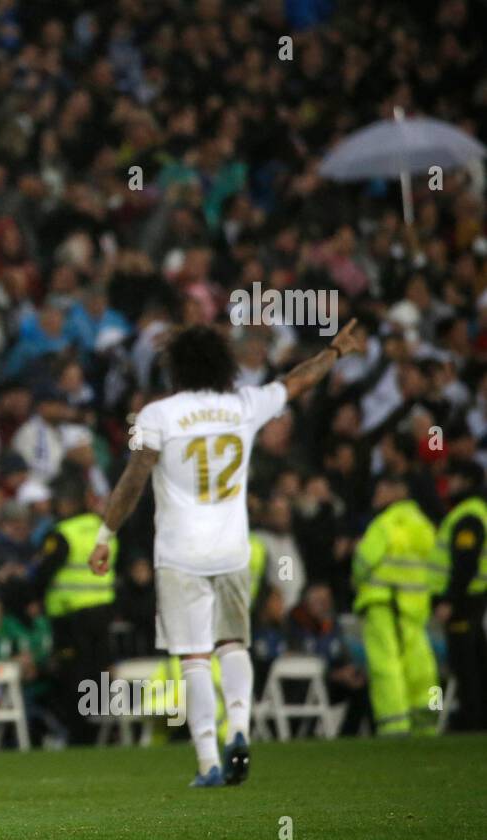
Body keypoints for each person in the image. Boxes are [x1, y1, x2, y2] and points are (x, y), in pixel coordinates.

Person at [89, 319, 367, 786]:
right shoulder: (244, 404)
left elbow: (134, 478)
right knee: (233, 644)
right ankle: (238, 728)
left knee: (194, 657)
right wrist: (335, 352)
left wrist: (105, 535)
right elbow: (296, 381)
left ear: (174, 367)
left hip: (179, 554)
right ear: (224, 364)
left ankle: (207, 762)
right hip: (233, 549)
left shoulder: (158, 415)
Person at [352, 473, 439, 736]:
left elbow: (363, 563)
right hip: (415, 608)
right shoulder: (424, 525)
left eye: (381, 488)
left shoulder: (385, 524)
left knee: (386, 665)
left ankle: (394, 725)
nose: (376, 494)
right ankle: (426, 721)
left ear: (396, 491)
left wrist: (357, 578)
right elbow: (436, 568)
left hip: (383, 605)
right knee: (421, 665)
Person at [32, 473, 115, 744]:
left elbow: (42, 575)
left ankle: (79, 735)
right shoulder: (104, 528)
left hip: (71, 618)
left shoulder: (62, 534)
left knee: (72, 676)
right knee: (98, 674)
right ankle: (102, 732)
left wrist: (28, 598)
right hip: (102, 614)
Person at [430, 459, 487, 731]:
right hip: (474, 599)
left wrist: (449, 601)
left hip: (465, 601)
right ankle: (475, 720)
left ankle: (472, 721)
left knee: (466, 666)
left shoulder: (467, 515)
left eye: (452, 478)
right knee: (475, 661)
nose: (447, 484)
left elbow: (465, 562)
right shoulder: (475, 511)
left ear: (465, 482)